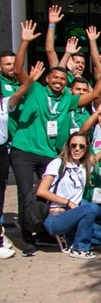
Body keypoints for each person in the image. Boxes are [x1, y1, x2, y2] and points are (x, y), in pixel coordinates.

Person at [11, 20, 101, 250]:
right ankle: (28, 236)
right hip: (25, 150)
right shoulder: (35, 88)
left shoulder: (67, 99)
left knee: (51, 192)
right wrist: (25, 42)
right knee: (27, 192)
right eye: (55, 78)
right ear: (47, 79)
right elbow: (18, 70)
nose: (58, 81)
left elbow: (96, 93)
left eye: (62, 80)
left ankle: (47, 230)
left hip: (50, 153)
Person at [37, 131, 101, 259]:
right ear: (68, 146)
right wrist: (68, 202)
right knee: (91, 207)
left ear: (86, 148)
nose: (77, 149)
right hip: (56, 216)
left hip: (74, 217)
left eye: (81, 146)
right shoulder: (58, 163)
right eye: (73, 145)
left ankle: (71, 237)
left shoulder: (84, 165)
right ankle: (80, 248)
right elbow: (41, 191)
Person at [0, 60, 46, 259]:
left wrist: (31, 81)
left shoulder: (3, 104)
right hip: (21, 150)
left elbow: (17, 95)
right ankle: (23, 238)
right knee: (23, 193)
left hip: (3, 151)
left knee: (1, 194)